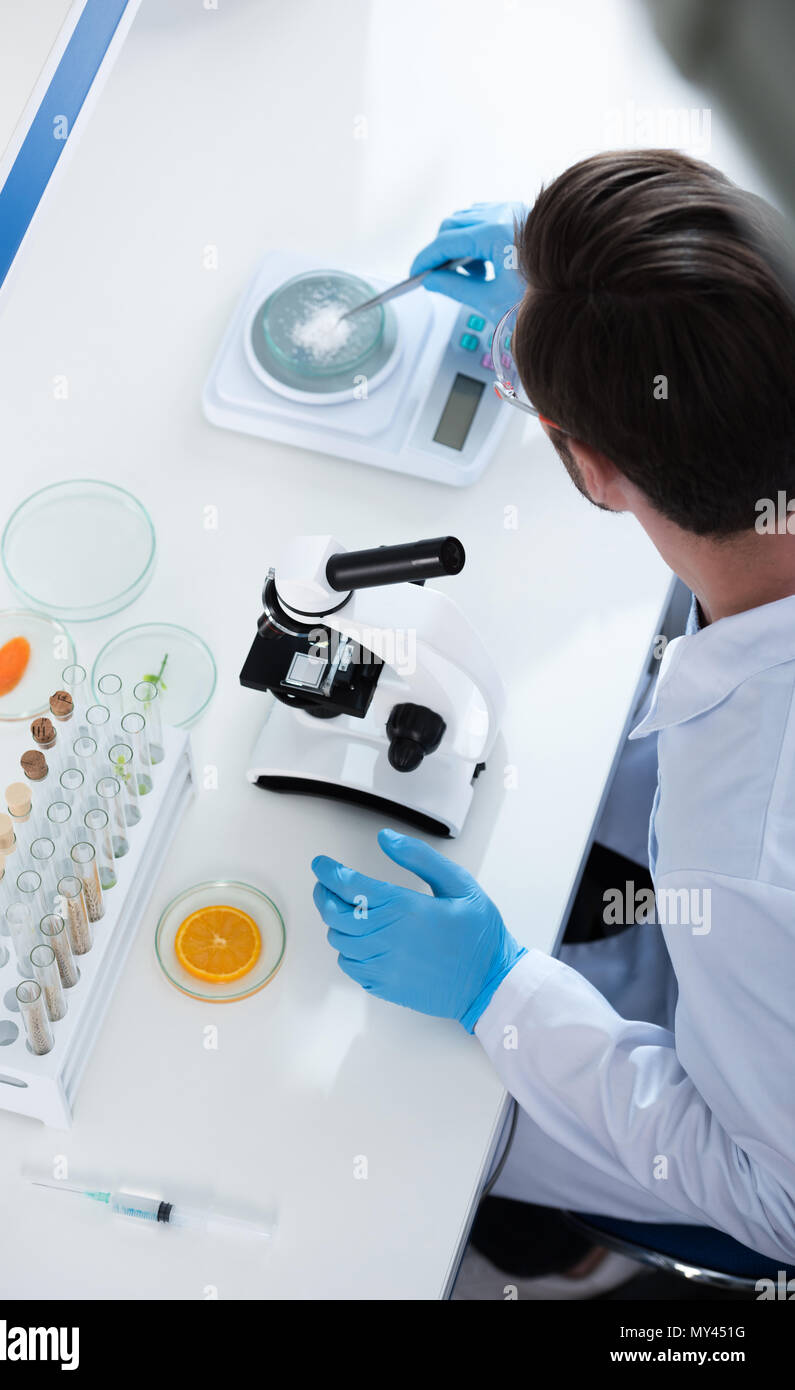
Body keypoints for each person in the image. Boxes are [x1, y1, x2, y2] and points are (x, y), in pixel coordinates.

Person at [310, 150, 795, 1274]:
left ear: (593, 470)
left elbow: (773, 1199)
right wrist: (590, 319)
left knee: (408, 1105)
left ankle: (550, 1248)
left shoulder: (746, 842)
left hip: (753, 1142)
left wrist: (501, 990)